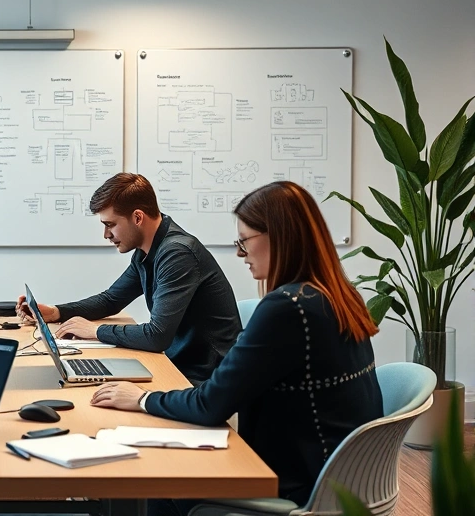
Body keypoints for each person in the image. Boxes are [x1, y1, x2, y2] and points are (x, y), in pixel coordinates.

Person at [91, 181, 384, 513]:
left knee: (159, 479)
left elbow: (210, 404)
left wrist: (140, 398)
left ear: (279, 237)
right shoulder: (338, 294)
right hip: (341, 479)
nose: (240, 254)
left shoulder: (288, 308)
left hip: (297, 484)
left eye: (244, 241)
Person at [17, 173, 241, 384]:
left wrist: (95, 331)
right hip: (179, 364)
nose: (106, 235)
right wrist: (55, 312)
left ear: (137, 217)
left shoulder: (177, 253)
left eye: (110, 224)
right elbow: (111, 300)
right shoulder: (147, 251)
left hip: (205, 378)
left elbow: (157, 336)